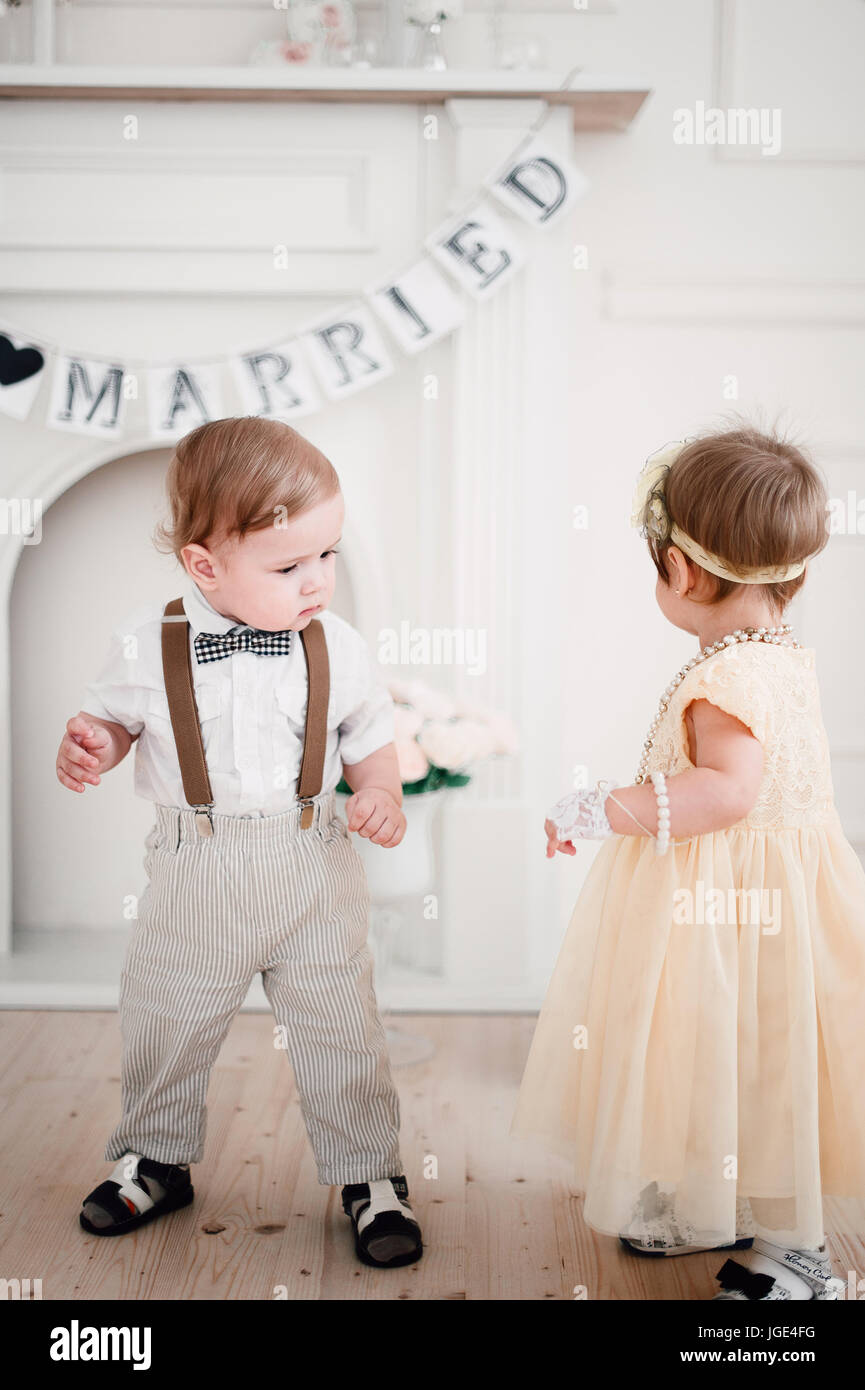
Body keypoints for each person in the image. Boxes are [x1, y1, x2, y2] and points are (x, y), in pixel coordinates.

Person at [56, 415, 422, 1269]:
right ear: (203, 565)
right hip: (198, 865)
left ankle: (370, 1174)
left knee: (339, 1025)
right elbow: (113, 721)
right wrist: (92, 746)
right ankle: (155, 1156)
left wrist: (379, 790)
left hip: (310, 861)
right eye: (290, 565)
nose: (317, 581)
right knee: (167, 1016)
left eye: (327, 556)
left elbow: (369, 735)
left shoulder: (340, 646)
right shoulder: (147, 643)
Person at [511, 422, 865, 1300]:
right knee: (727, 1053)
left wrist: (599, 807)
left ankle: (798, 1250)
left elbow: (726, 795)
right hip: (754, 902)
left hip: (736, 911)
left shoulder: (729, 680)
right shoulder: (778, 657)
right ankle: (720, 1199)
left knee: (760, 1060)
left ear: (683, 572)